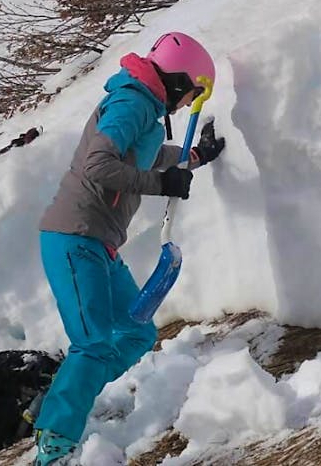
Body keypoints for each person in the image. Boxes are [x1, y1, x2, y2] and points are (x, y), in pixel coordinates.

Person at [32, 32, 225, 464]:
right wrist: (162, 185)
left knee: (137, 332)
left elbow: (150, 156)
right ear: (178, 81)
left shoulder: (143, 109)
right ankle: (55, 444)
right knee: (92, 343)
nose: (185, 103)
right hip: (74, 237)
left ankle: (65, 398)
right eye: (191, 93)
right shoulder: (131, 102)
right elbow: (99, 165)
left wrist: (195, 156)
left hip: (99, 243)